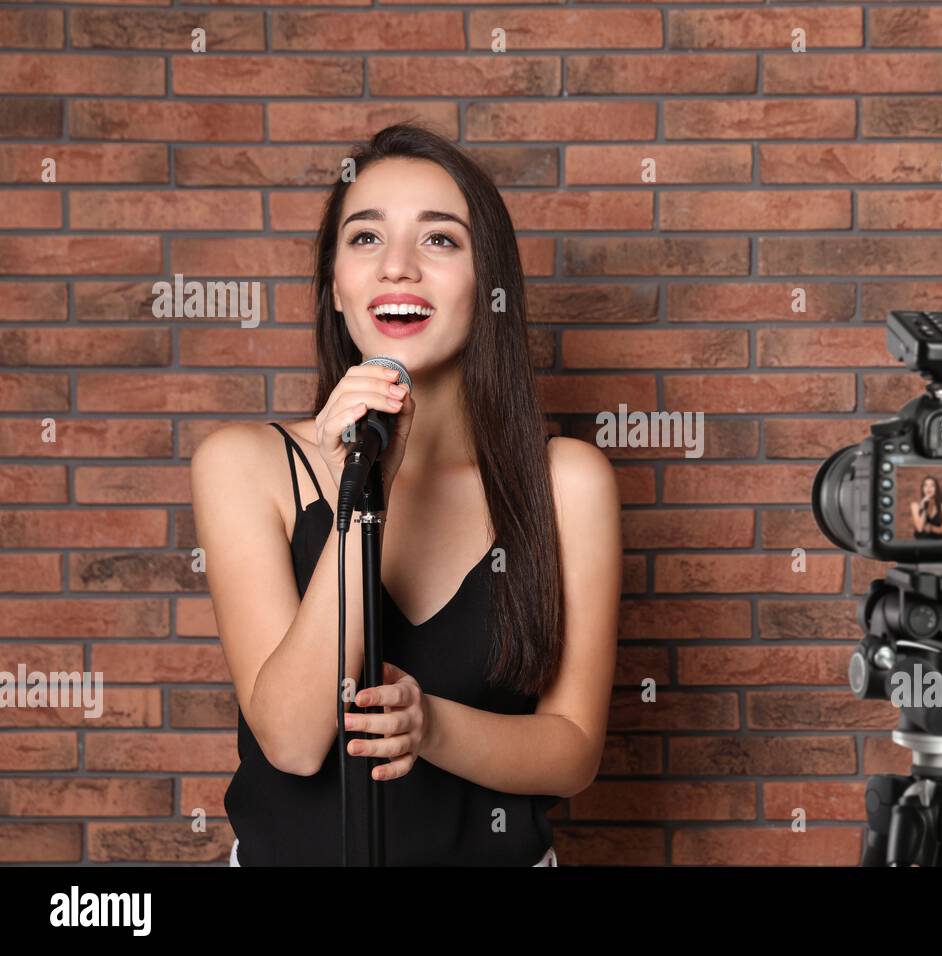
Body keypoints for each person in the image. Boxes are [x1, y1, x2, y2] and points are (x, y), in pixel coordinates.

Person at [191, 123, 621, 866]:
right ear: (334, 285)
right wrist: (367, 491)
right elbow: (293, 741)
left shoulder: (567, 482)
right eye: (364, 239)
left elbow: (573, 752)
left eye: (439, 241)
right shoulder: (245, 464)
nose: (397, 267)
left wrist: (432, 728)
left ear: (489, 287)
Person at [909, 475, 942, 539]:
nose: (928, 488)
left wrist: (931, 528)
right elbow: (920, 528)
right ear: (922, 489)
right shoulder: (915, 505)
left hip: (938, 544)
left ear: (936, 489)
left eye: (932, 485)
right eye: (925, 485)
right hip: (921, 545)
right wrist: (925, 506)